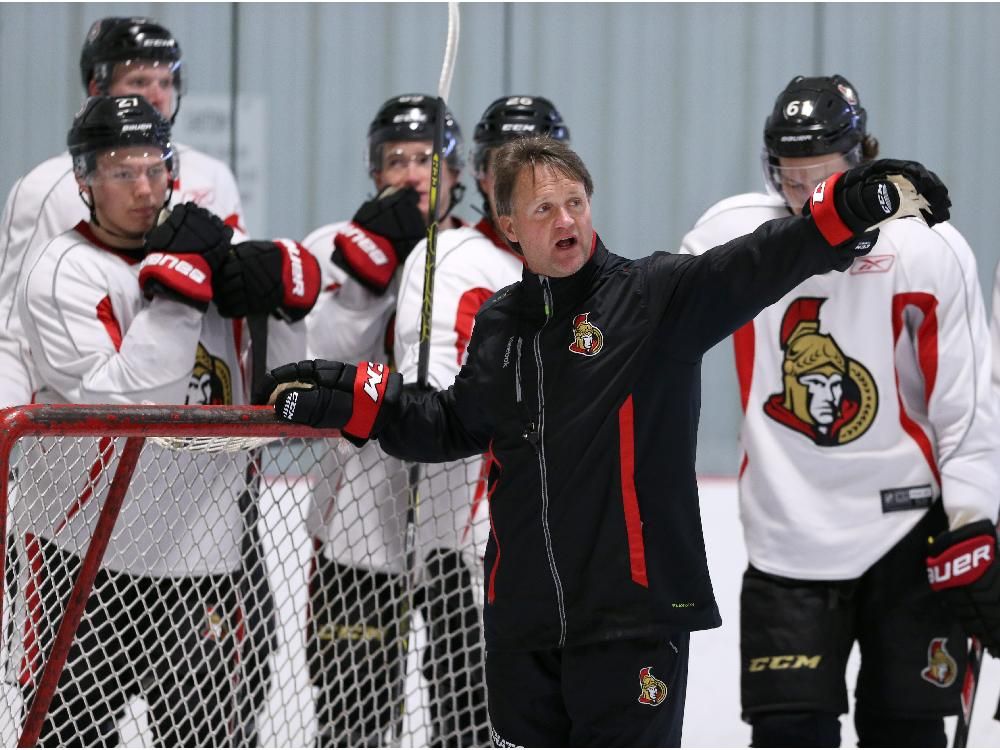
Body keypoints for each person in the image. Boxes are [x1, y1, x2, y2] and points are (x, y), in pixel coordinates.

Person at [261, 135, 956, 746]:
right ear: (509, 225)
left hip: (633, 627)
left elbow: (758, 260)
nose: (566, 220)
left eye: (575, 203)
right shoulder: (501, 323)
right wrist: (359, 399)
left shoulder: (653, 298)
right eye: (543, 209)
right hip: (522, 628)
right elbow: (451, 423)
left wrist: (845, 209)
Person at [679, 75, 1000, 746]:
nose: (805, 196)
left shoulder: (925, 247)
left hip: (906, 532)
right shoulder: (733, 232)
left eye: (821, 177)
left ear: (859, 160)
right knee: (788, 734)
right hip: (786, 537)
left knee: (905, 732)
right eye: (790, 178)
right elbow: (654, 311)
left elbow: (966, 406)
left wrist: (974, 523)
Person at [13, 94, 319, 747]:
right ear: (84, 179)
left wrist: (285, 313)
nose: (145, 188)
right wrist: (178, 294)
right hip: (83, 563)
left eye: (155, 168)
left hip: (204, 566)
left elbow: (276, 413)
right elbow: (131, 407)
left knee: (206, 739)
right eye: (122, 172)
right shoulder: (62, 271)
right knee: (67, 738)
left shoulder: (212, 255)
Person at [393, 95, 571, 747]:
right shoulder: (454, 257)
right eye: (505, 164)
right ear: (482, 175)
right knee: (472, 730)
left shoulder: (582, 269)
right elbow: (436, 395)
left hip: (563, 551)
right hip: (473, 553)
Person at [299, 93, 464, 747]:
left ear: (457, 172)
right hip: (357, 522)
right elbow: (315, 367)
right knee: (353, 722)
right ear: (374, 171)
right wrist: (366, 285)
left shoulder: (477, 255)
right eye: (397, 159)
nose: (411, 173)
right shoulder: (331, 248)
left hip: (458, 527)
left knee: (468, 718)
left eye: (426, 159)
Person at [0, 16, 245, 410]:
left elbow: (233, 303)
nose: (157, 96)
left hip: (195, 400)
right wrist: (6, 427)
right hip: (91, 397)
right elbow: (13, 333)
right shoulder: (44, 187)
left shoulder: (213, 176)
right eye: (139, 81)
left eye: (165, 82)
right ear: (97, 88)